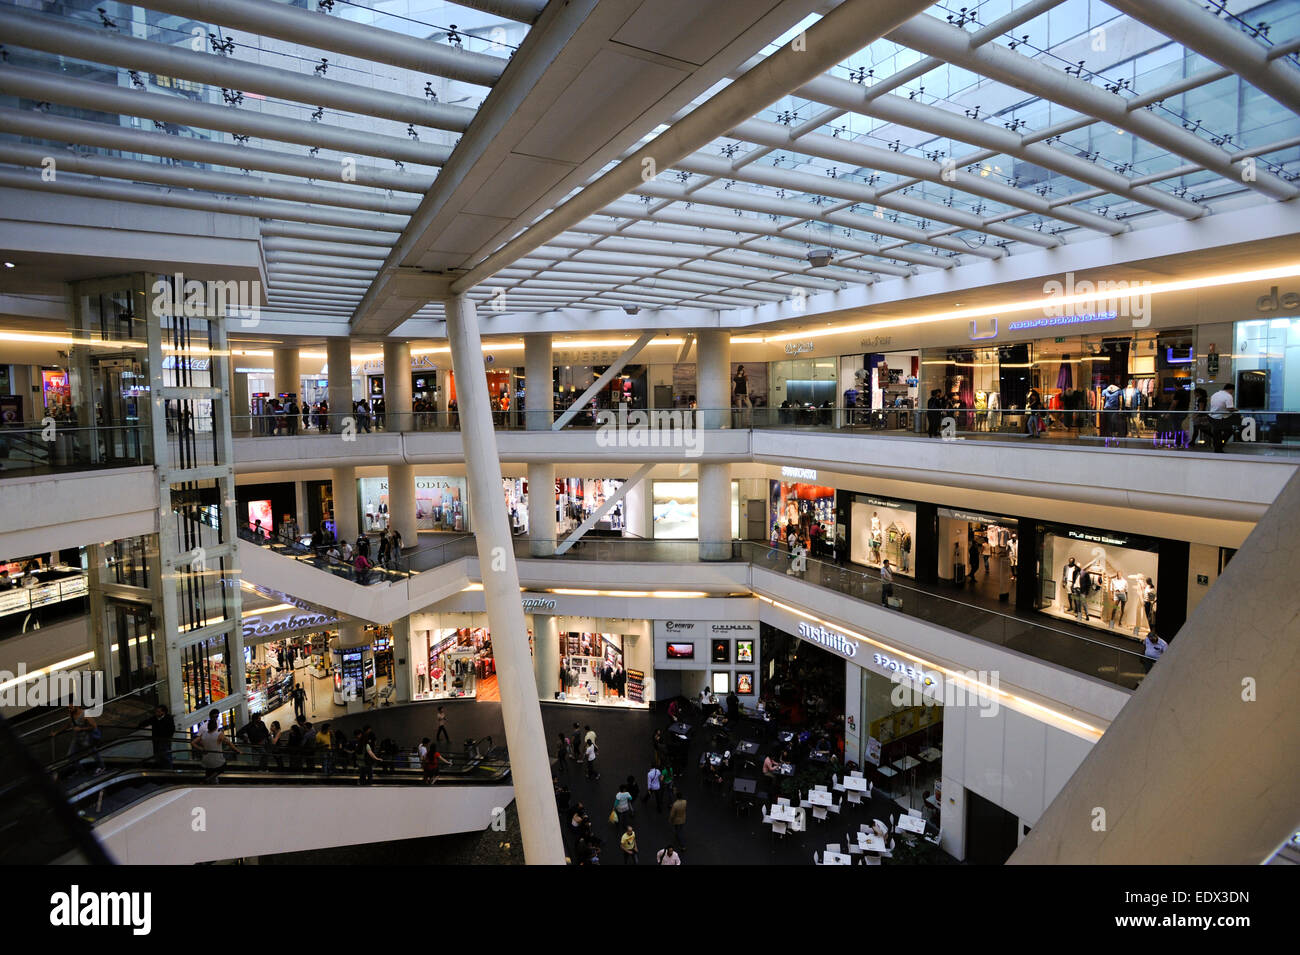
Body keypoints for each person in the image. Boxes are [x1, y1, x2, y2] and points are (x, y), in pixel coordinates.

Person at [54, 704, 104, 775]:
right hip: (77, 739)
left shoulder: (84, 714)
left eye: (71, 708)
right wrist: (57, 732)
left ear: (77, 706)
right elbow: (68, 725)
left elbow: (94, 726)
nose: (69, 709)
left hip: (87, 738)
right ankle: (81, 771)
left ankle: (101, 767)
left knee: (93, 753)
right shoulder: (71, 714)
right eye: (68, 708)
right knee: (71, 756)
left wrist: (81, 729)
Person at [194, 713, 239, 782]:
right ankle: (208, 779)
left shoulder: (203, 734)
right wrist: (237, 751)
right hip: (217, 761)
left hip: (206, 761)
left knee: (209, 771)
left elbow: (193, 742)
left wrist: (201, 749)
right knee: (223, 766)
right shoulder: (219, 734)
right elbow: (229, 743)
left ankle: (209, 781)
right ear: (216, 726)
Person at [138, 704, 176, 769]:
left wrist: (167, 737)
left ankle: (168, 770)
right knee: (157, 755)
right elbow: (147, 722)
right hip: (156, 739)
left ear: (163, 712)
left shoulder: (168, 718)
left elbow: (171, 729)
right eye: (156, 711)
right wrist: (139, 725)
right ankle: (160, 769)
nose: (156, 713)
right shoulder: (155, 718)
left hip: (164, 740)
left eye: (158, 711)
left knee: (165, 755)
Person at [1208, 383, 1235, 453]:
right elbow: (1230, 408)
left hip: (1212, 416)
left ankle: (1217, 447)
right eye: (1233, 391)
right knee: (1229, 431)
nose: (1232, 392)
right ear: (1231, 389)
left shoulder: (1215, 394)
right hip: (1221, 417)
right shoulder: (1228, 396)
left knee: (1217, 433)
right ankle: (1219, 446)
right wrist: (1236, 409)